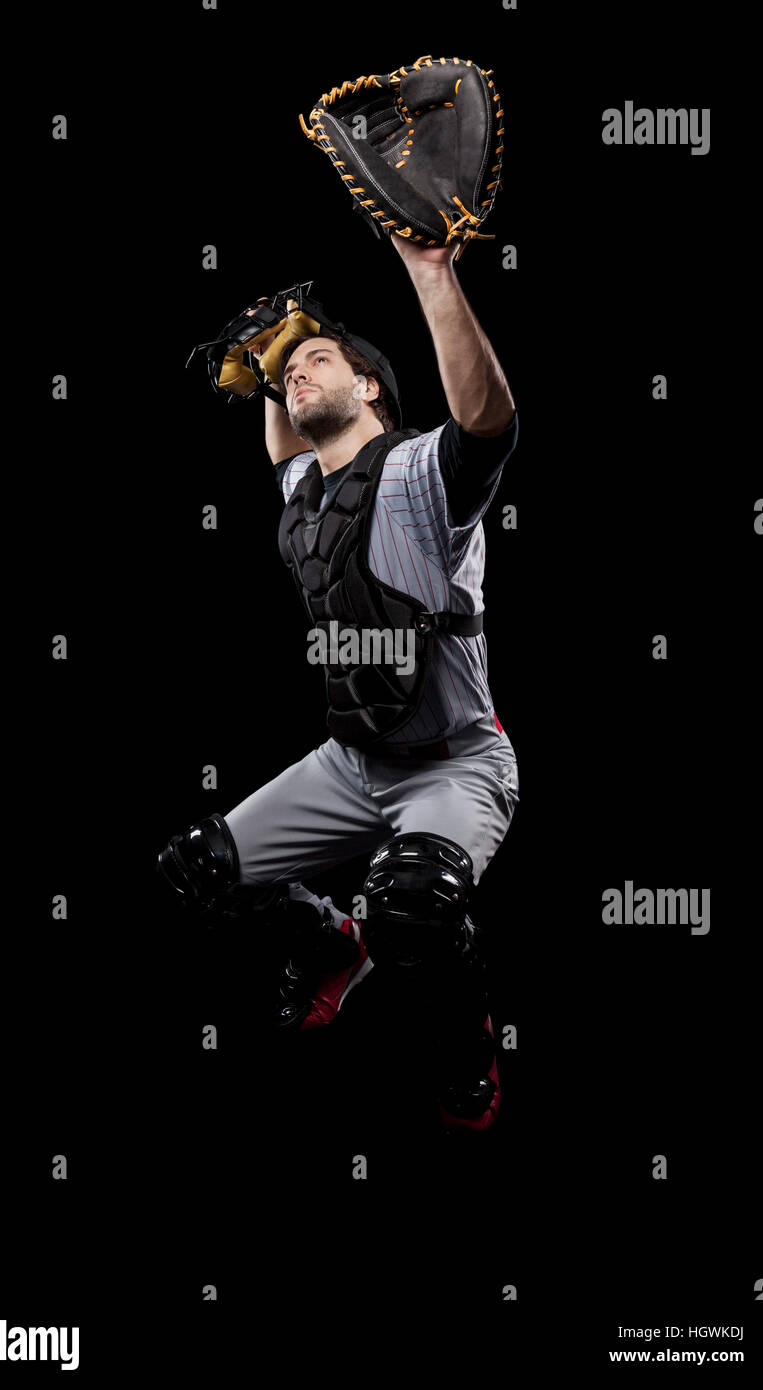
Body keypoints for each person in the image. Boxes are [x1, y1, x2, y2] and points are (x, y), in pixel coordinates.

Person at [159, 233, 520, 1132]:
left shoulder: (416, 473)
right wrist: (280, 356)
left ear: (371, 390)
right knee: (199, 872)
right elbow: (284, 445)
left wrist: (431, 273)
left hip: (455, 762)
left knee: (413, 910)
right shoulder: (306, 498)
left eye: (320, 359)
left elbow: (491, 421)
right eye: (288, 372)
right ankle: (330, 947)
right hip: (352, 762)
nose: (293, 374)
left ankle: (467, 1053)